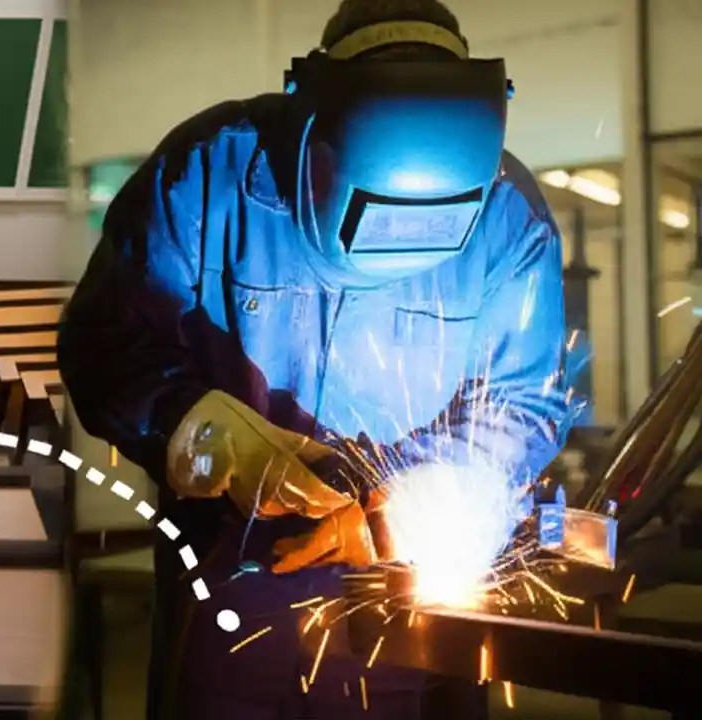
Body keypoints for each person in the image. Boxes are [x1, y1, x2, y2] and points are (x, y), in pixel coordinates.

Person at [57, 1, 574, 718]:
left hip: (403, 576)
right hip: (230, 567)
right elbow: (105, 343)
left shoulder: (510, 221)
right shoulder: (207, 173)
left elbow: (524, 406)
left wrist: (404, 516)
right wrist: (196, 427)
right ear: (313, 121)